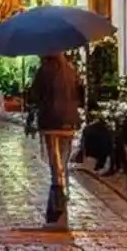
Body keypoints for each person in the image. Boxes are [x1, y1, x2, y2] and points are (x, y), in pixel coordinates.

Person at [27, 53, 83, 229]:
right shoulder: (71, 69)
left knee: (55, 168)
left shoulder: (44, 70)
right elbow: (80, 94)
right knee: (63, 167)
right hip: (70, 122)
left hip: (51, 123)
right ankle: (61, 211)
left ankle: (59, 215)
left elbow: (34, 96)